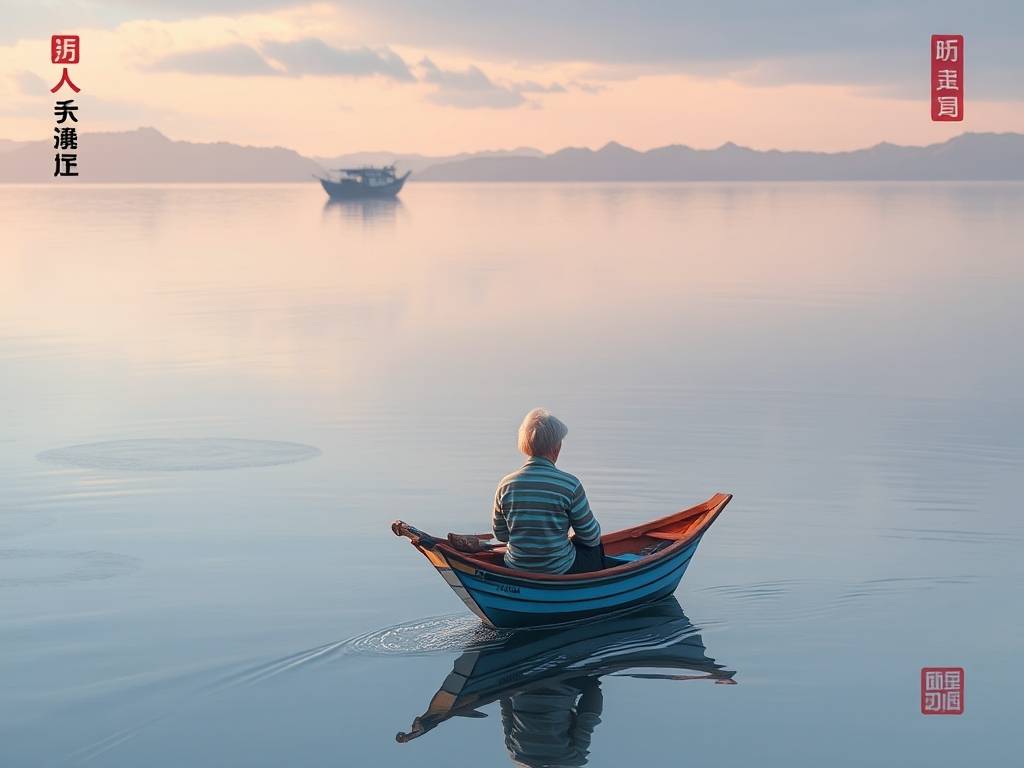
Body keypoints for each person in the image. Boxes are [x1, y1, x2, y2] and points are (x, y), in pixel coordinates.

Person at [492, 408, 604, 574]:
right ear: (555, 447)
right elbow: (591, 537)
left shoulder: (505, 485)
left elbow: (501, 535)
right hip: (559, 569)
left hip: (516, 567)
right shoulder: (570, 485)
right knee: (596, 547)